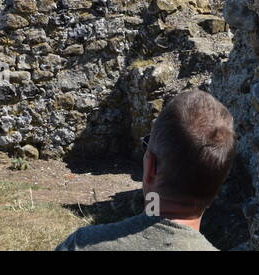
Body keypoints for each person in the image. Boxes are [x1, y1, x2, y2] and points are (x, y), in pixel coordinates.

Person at [55, 88, 235, 251]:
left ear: (150, 168)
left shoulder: (81, 245)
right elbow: (153, 210)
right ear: (219, 182)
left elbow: (153, 210)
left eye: (146, 146)